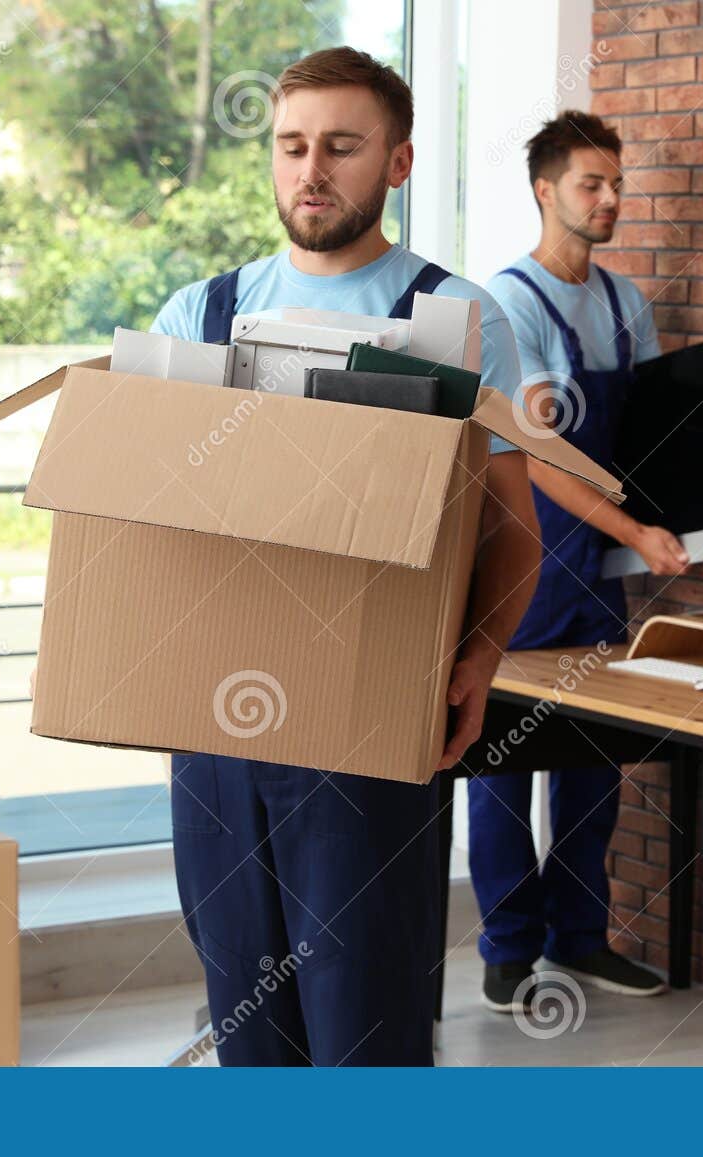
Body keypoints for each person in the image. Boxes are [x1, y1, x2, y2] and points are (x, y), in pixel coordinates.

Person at [148, 46, 543, 1065]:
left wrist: (480, 659)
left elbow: (511, 530)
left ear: (398, 163)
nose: (309, 170)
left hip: (373, 716)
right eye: (290, 146)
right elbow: (144, 520)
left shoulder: (453, 320)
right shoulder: (200, 314)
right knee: (246, 1023)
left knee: (365, 1022)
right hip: (217, 722)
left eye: (340, 146)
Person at [470, 111, 689, 1013]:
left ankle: (582, 937)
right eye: (591, 183)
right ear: (545, 190)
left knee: (594, 764)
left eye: (616, 184)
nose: (609, 200)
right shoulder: (507, 302)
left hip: (597, 571)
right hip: (524, 558)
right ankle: (508, 951)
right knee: (504, 768)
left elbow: (654, 435)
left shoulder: (624, 302)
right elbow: (541, 457)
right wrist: (638, 535)